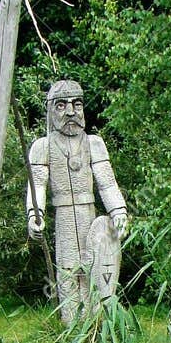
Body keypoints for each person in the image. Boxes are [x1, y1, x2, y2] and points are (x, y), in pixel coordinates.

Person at [27, 80, 128, 324]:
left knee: (94, 266)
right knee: (68, 272)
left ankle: (97, 323)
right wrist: (34, 215)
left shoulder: (94, 143)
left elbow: (107, 182)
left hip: (88, 214)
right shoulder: (43, 147)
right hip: (63, 218)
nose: (71, 112)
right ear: (50, 110)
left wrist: (119, 210)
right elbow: (37, 184)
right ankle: (72, 326)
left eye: (77, 104)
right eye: (61, 105)